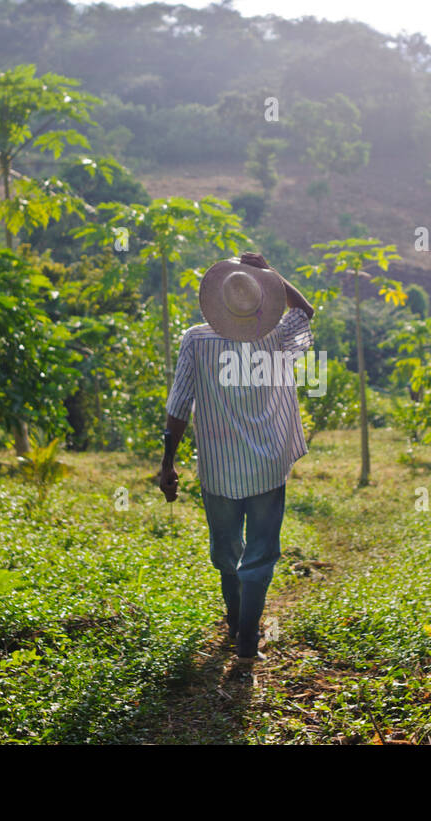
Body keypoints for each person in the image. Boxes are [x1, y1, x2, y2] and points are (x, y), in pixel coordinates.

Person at [156, 251, 314, 669]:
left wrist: (168, 462)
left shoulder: (196, 339)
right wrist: (271, 273)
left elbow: (179, 405)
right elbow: (307, 311)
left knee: (227, 552)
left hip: (219, 469)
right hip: (267, 466)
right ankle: (246, 641)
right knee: (260, 555)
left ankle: (235, 624)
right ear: (261, 301)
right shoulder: (274, 336)